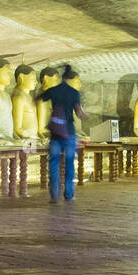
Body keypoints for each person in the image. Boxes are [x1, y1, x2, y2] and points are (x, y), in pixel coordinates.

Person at [37, 64, 88, 202]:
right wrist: (84, 114)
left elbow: (39, 98)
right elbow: (78, 113)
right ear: (69, 79)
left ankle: (54, 195)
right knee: (69, 164)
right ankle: (69, 194)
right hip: (69, 133)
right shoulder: (74, 93)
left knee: (53, 164)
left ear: (62, 78)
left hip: (55, 134)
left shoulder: (54, 90)